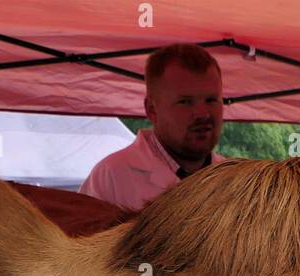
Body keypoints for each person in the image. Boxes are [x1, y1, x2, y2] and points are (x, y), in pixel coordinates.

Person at [80, 44, 228, 210]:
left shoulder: (234, 180)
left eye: (211, 100)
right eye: (185, 102)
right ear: (152, 109)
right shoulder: (112, 177)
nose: (202, 114)